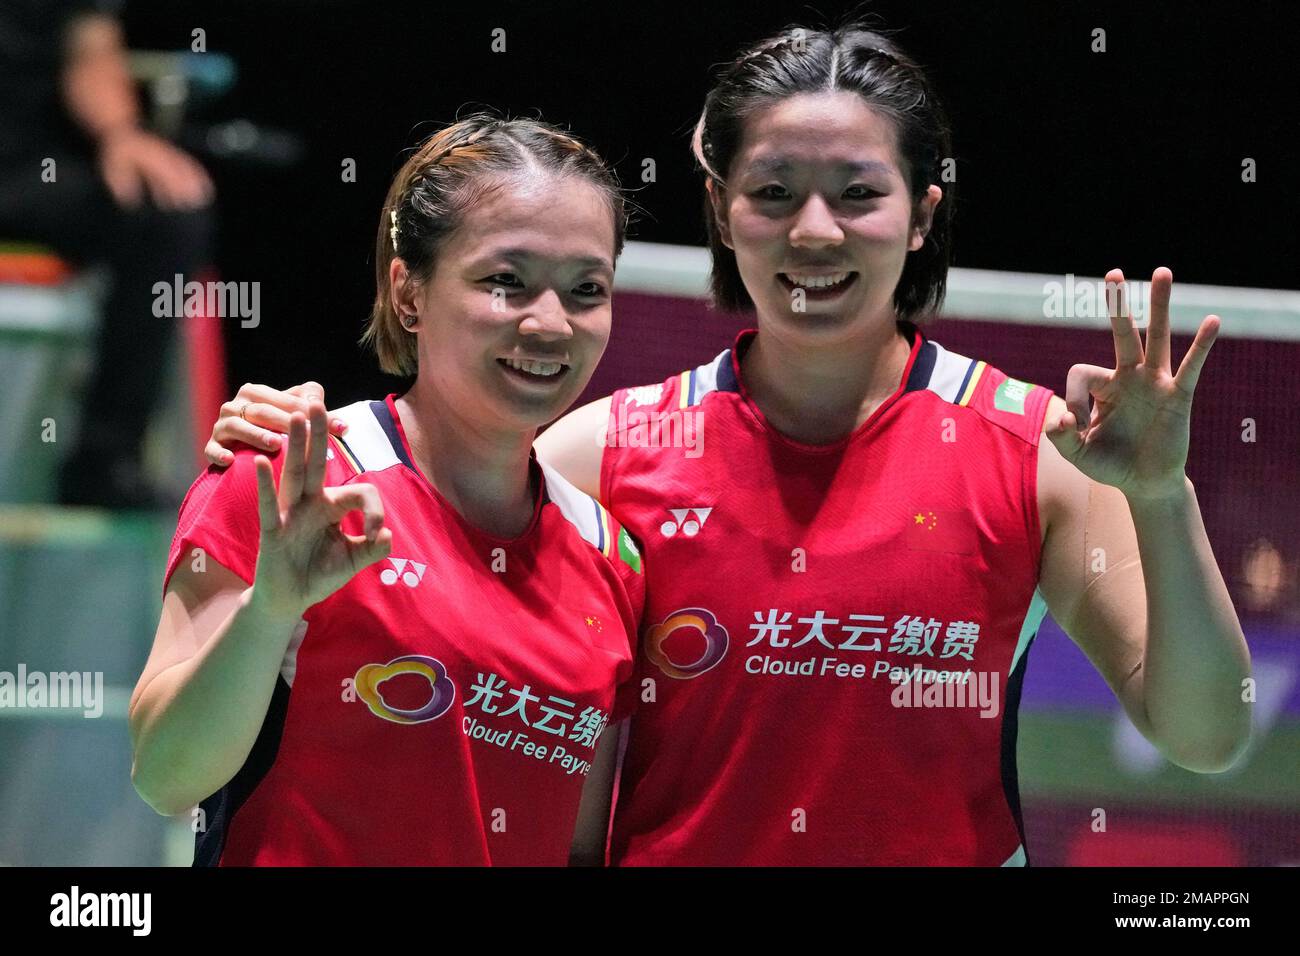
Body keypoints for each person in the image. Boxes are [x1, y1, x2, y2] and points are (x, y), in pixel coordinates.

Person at [204, 22, 1252, 865]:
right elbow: (421, 487)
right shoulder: (604, 452)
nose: (812, 232)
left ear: (922, 214)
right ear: (719, 206)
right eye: (771, 192)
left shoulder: (1034, 451)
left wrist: (1162, 497)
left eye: (857, 194)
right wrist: (294, 440)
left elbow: (1207, 735)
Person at [128, 115, 644, 865]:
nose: (550, 322)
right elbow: (165, 777)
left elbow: (573, 844)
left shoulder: (610, 558)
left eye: (586, 288)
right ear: (409, 293)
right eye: (505, 280)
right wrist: (269, 608)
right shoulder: (288, 480)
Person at [0, 1, 215, 508]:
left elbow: (89, 44)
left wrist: (122, 135)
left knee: (169, 215)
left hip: (23, 169)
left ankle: (104, 461)